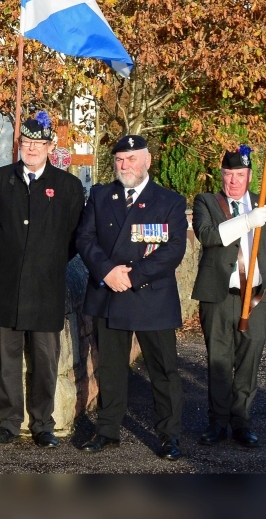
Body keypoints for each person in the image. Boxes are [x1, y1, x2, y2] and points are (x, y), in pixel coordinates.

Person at [75, 135, 188, 460]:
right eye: (120, 160)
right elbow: (85, 238)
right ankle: (107, 431)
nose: (125, 165)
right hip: (109, 293)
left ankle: (169, 435)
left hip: (151, 297)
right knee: (109, 367)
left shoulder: (168, 201)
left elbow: (173, 250)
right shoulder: (100, 195)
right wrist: (107, 271)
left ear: (147, 161)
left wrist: (133, 276)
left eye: (132, 159)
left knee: (163, 370)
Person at [0, 111, 85, 448]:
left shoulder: (67, 186)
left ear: (49, 146)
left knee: (44, 362)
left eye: (37, 143)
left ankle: (43, 424)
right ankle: (8, 423)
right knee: (7, 362)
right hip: (8, 288)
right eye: (25, 143)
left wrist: (45, 262)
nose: (31, 149)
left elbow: (72, 237)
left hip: (45, 289)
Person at [191, 145, 266, 448]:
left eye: (240, 175)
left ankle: (242, 422)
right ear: (221, 175)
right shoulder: (206, 201)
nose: (233, 181)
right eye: (228, 174)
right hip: (218, 296)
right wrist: (247, 221)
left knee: (249, 362)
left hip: (256, 298)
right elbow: (208, 236)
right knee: (219, 361)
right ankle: (217, 423)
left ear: (249, 175)